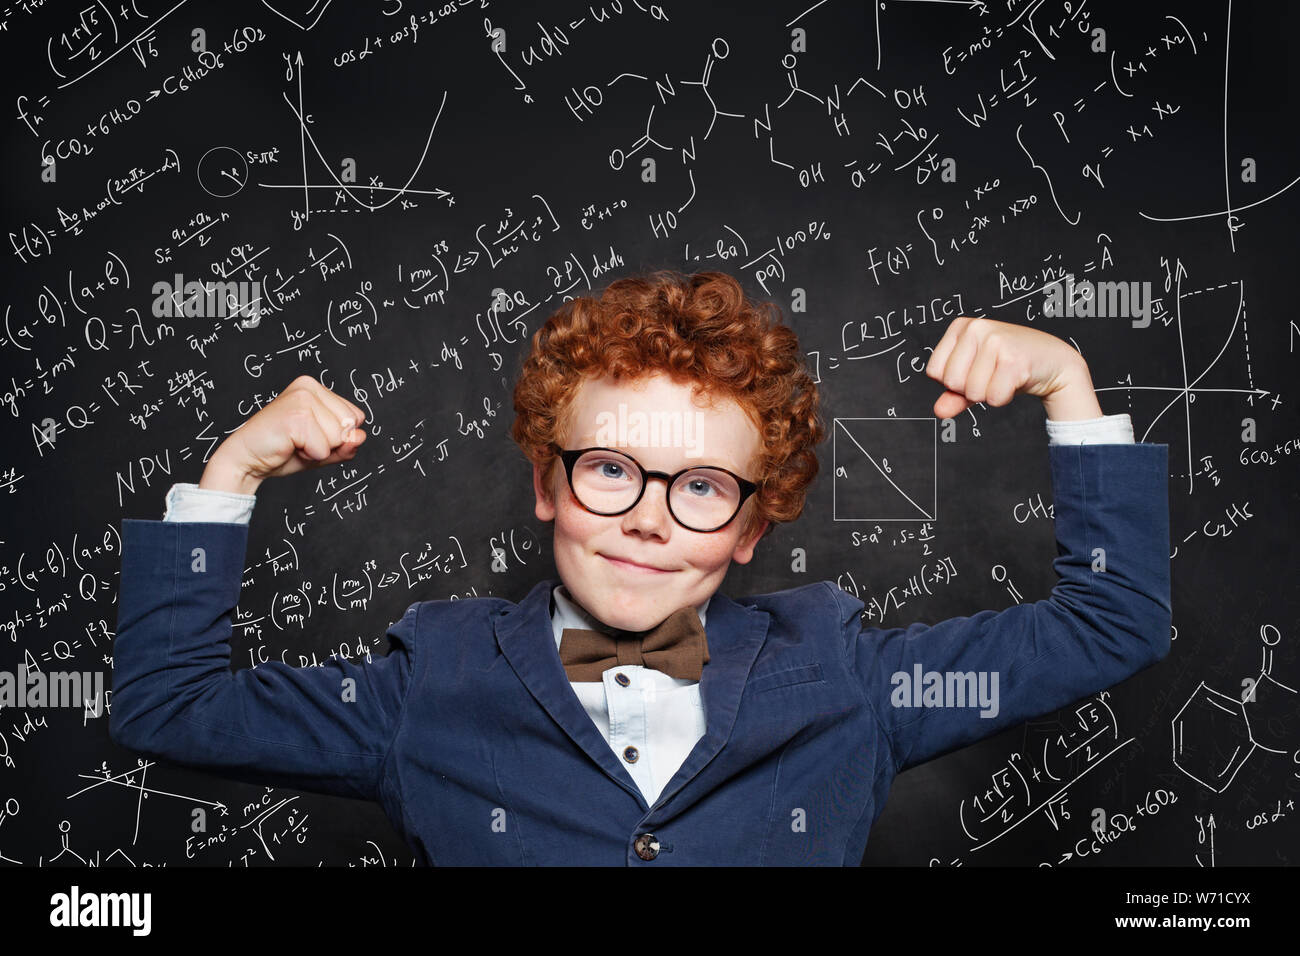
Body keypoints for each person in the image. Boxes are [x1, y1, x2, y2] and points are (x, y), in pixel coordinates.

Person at [110, 269, 1170, 865]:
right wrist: (230, 471)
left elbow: (1110, 621)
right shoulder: (427, 685)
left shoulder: (847, 680)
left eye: (703, 486)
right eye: (610, 469)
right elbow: (167, 703)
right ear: (546, 483)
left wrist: (1066, 383)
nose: (648, 520)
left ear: (751, 527)